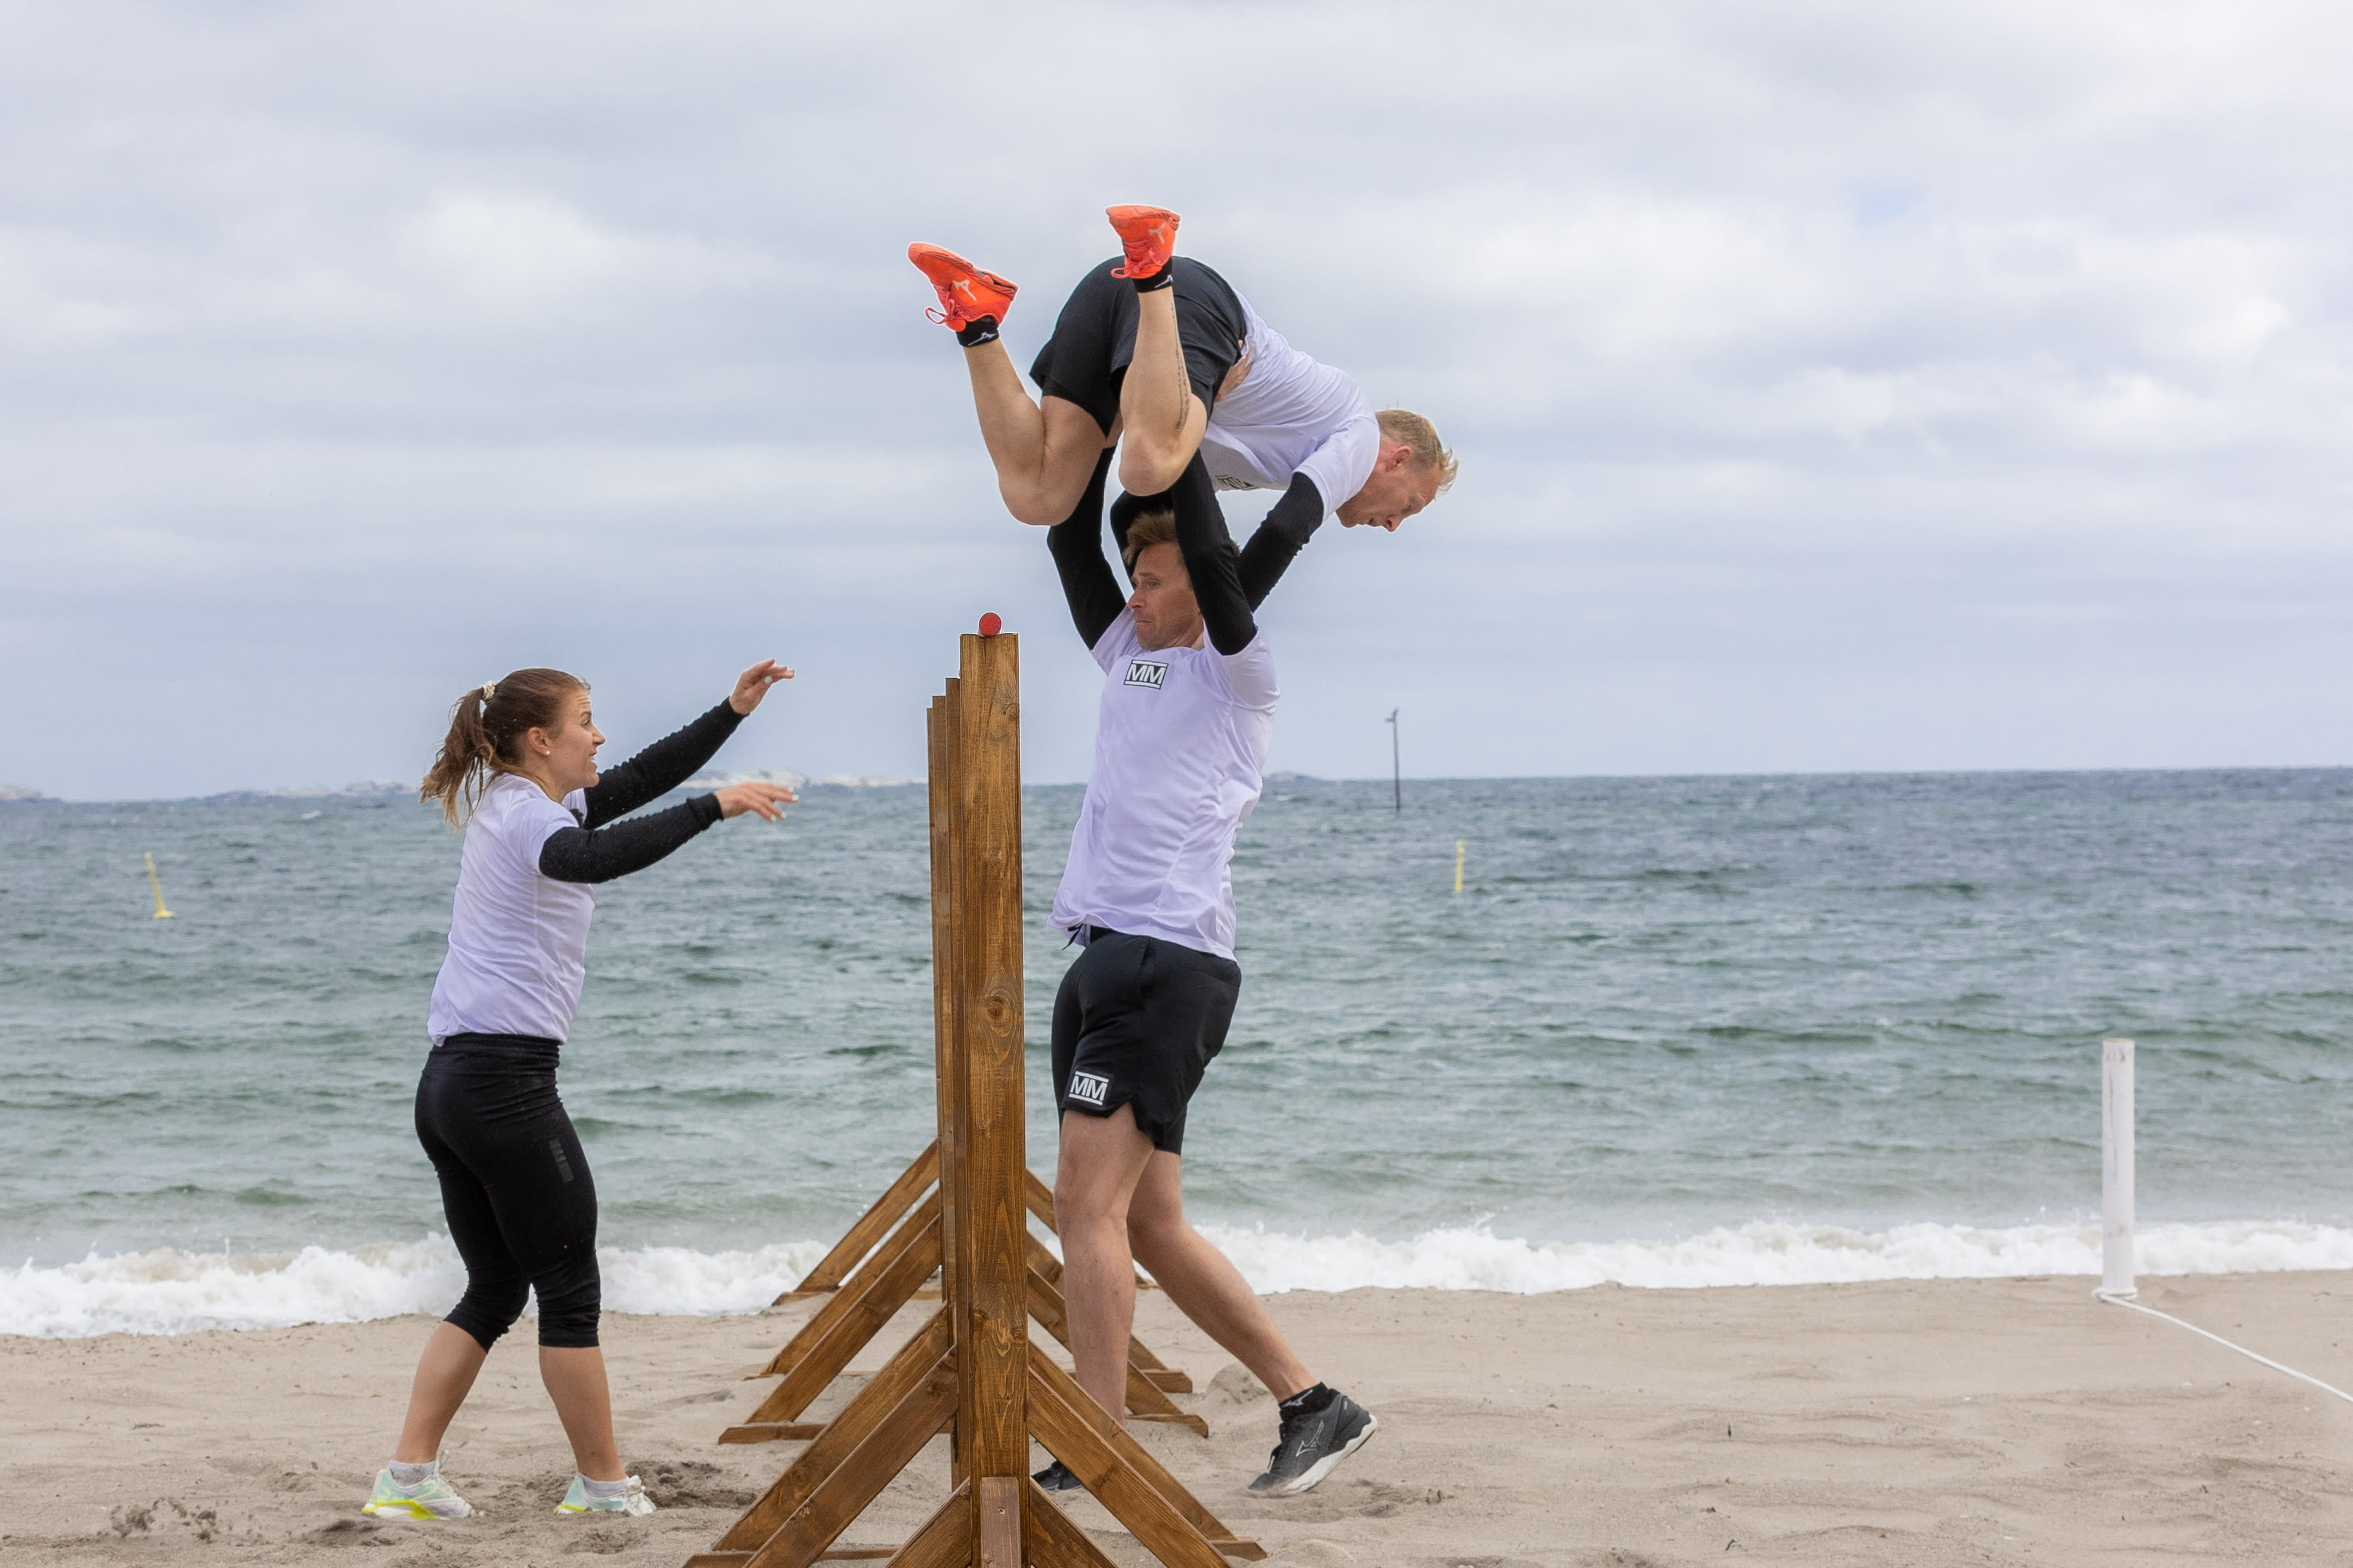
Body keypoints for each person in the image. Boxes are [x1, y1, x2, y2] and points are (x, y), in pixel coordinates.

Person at [362, 660, 798, 1523]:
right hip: (504, 1088)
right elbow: (589, 859)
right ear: (540, 739)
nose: (600, 735)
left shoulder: (516, 802)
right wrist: (715, 805)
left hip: (450, 1084)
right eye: (586, 720)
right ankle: (603, 1485)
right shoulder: (531, 818)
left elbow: (637, 779)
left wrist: (731, 711)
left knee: (494, 1287)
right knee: (569, 1292)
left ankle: (407, 1477)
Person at [1030, 447, 1379, 1497]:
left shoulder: (1239, 671)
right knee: (1144, 1221)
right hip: (1104, 957)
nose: (1135, 592)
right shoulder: (1124, 655)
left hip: (1164, 960)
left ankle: (1095, 1442)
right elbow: (1064, 533)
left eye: (1156, 578)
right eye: (1133, 577)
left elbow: (1230, 548)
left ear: (1204, 586)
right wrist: (1087, 432)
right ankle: (1314, 1403)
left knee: (1081, 1207)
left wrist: (1175, 427)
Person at [908, 205, 1456, 547]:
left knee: (1042, 499)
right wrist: (1231, 639)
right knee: (1147, 465)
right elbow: (1288, 530)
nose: (1391, 526)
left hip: (1108, 301)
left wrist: (1144, 615)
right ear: (1396, 458)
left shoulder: (1278, 458)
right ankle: (1151, 259)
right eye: (1407, 506)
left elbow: (1134, 512)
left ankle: (974, 317)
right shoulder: (1356, 436)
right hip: (1189, 301)